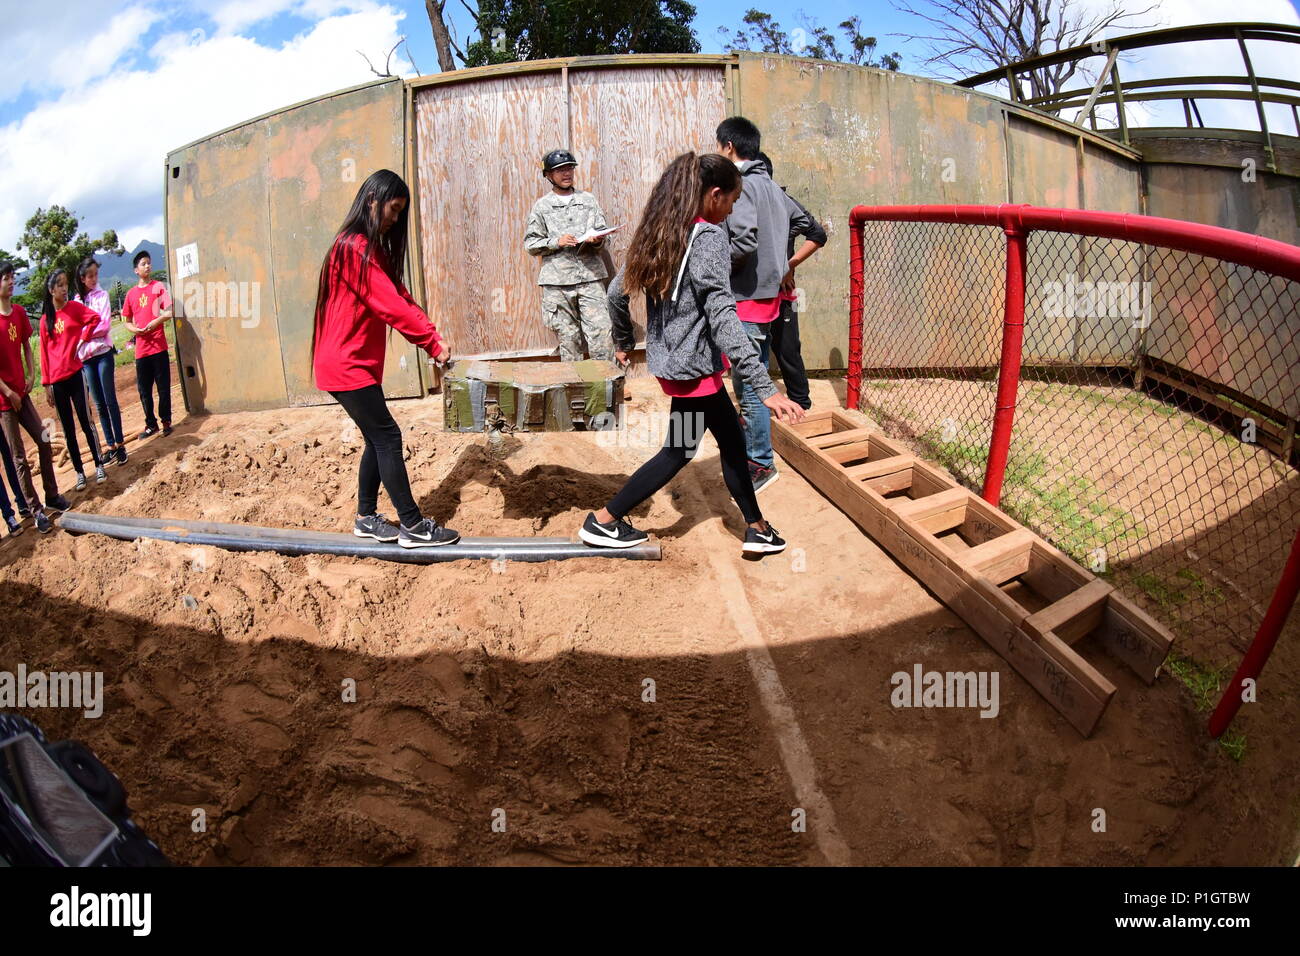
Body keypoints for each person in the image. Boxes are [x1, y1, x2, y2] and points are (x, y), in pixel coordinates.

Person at [580, 152, 805, 555]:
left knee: (732, 443)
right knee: (679, 450)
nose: (733, 210)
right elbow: (723, 317)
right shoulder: (708, 238)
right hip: (695, 371)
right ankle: (604, 520)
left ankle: (757, 528)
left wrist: (625, 342)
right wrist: (764, 386)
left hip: (678, 365)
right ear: (714, 195)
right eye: (732, 202)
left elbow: (616, 293)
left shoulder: (661, 229)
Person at [311, 168, 460, 549]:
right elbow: (389, 304)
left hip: (355, 365)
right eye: (393, 209)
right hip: (346, 365)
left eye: (399, 213)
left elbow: (401, 296)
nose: (395, 219)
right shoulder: (351, 247)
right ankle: (412, 524)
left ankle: (366, 518)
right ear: (372, 200)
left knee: (376, 439)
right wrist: (431, 344)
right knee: (388, 437)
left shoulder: (370, 248)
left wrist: (434, 336)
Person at [716, 116, 810, 493]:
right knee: (752, 379)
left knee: (752, 387)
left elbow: (742, 242)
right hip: (768, 299)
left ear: (728, 147)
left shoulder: (742, 185)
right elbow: (807, 224)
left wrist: (710, 264)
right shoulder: (771, 186)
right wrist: (782, 266)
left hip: (747, 299)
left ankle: (760, 462)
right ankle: (753, 444)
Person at [523, 149, 615, 362]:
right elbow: (531, 244)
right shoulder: (542, 206)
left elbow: (603, 234)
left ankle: (608, 388)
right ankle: (575, 391)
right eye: (560, 170)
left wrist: (598, 239)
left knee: (601, 336)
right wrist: (557, 242)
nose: (567, 174)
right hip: (557, 283)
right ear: (548, 175)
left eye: (569, 169)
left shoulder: (588, 200)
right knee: (569, 340)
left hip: (590, 278)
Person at [0, 261, 69, 534]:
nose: (11, 282)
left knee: (43, 439)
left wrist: (30, 375)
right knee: (18, 458)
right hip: (5, 403)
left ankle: (51, 495)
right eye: (6, 278)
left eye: (12, 277)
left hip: (24, 394)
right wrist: (7, 392)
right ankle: (35, 509)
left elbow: (27, 346)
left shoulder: (17, 313)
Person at [757, 151, 825, 412]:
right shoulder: (742, 204)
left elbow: (817, 234)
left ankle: (801, 404)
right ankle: (754, 408)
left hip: (782, 293)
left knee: (787, 350)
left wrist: (789, 265)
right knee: (754, 353)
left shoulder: (783, 202)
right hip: (754, 294)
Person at [39, 269, 106, 490]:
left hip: (76, 375)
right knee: (68, 430)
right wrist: (47, 384)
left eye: (65, 284)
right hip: (57, 383)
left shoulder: (74, 309)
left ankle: (98, 464)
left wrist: (83, 338)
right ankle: (79, 472)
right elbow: (44, 354)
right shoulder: (44, 321)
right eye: (59, 285)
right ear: (51, 290)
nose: (64, 288)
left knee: (86, 422)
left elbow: (94, 318)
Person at [74, 256, 127, 464]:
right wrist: (87, 331)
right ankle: (111, 445)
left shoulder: (102, 296)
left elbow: (104, 326)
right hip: (86, 359)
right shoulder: (76, 301)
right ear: (82, 277)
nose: (94, 278)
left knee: (110, 399)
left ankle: (121, 444)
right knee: (98, 404)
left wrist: (85, 334)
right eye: (90, 275)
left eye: (96, 274)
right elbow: (76, 328)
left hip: (103, 354)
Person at [120, 250, 173, 439]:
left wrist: (154, 322)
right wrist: (135, 330)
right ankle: (151, 424)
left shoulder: (158, 287)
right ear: (136, 270)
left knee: (163, 387)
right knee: (144, 391)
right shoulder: (131, 294)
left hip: (158, 346)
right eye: (143, 263)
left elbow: (169, 312)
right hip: (141, 350)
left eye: (149, 263)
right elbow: (126, 320)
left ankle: (166, 421)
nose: (147, 266)